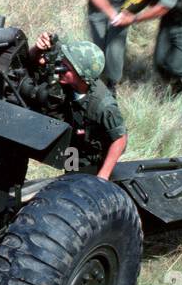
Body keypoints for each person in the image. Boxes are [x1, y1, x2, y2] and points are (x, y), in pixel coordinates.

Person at [32, 32, 128, 181]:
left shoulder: (103, 105)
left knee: (79, 182)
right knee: (69, 176)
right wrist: (38, 49)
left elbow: (120, 139)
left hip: (89, 156)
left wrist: (103, 176)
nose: (59, 70)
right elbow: (38, 62)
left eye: (65, 68)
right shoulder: (69, 66)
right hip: (73, 143)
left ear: (82, 76)